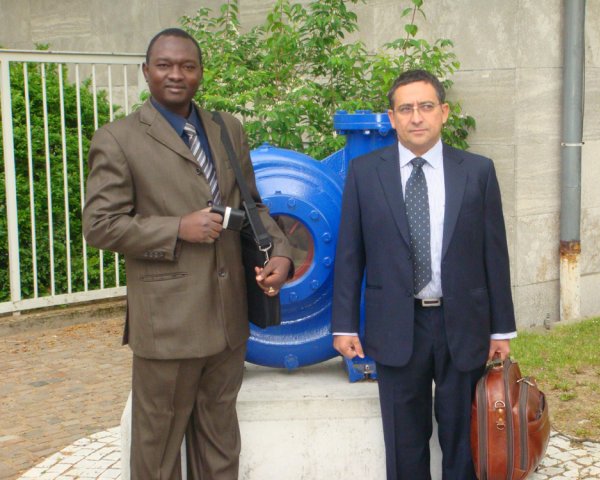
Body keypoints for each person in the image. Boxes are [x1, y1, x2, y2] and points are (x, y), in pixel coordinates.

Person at [82, 28, 292, 480]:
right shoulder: (118, 139)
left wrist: (280, 252)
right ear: (146, 72)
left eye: (187, 66)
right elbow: (99, 225)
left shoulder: (226, 128)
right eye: (164, 65)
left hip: (228, 320)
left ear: (200, 73)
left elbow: (252, 205)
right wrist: (177, 228)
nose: (175, 74)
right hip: (168, 325)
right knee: (157, 453)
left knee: (220, 446)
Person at [331, 69, 516, 479]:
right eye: (406, 109)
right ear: (392, 117)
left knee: (463, 443)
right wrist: (344, 325)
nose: (416, 117)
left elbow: (494, 253)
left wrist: (501, 329)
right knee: (404, 444)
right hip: (396, 325)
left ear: (444, 112)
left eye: (426, 106)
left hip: (462, 323)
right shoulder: (365, 173)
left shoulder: (477, 171)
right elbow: (349, 254)